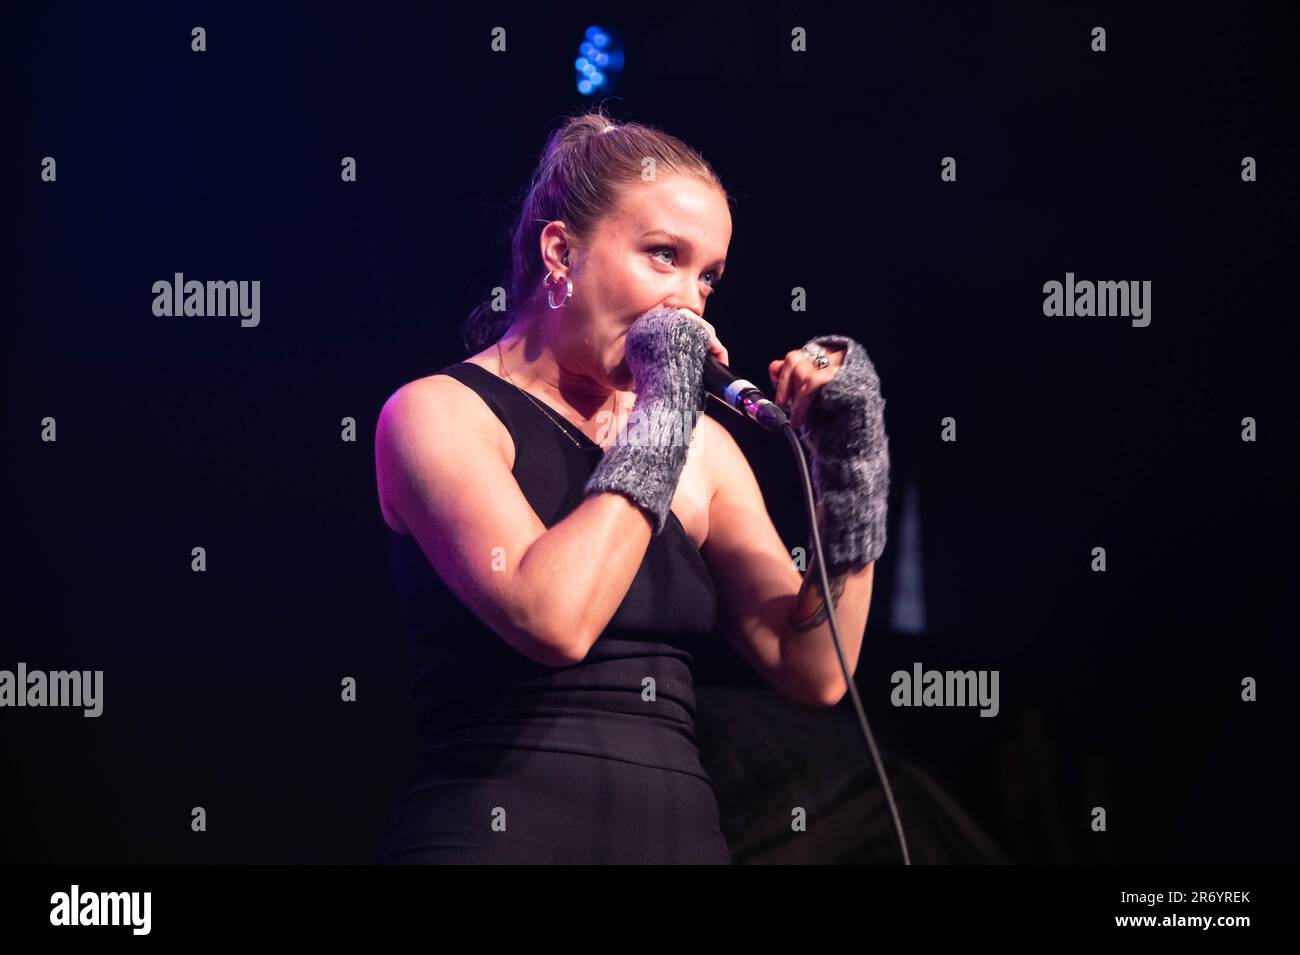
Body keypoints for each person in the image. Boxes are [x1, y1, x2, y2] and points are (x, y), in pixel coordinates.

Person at [373, 108, 890, 863]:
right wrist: (664, 413)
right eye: (662, 256)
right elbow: (554, 618)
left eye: (707, 276)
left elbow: (814, 668)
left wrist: (850, 468)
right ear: (561, 251)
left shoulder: (704, 451)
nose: (689, 300)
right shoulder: (437, 412)